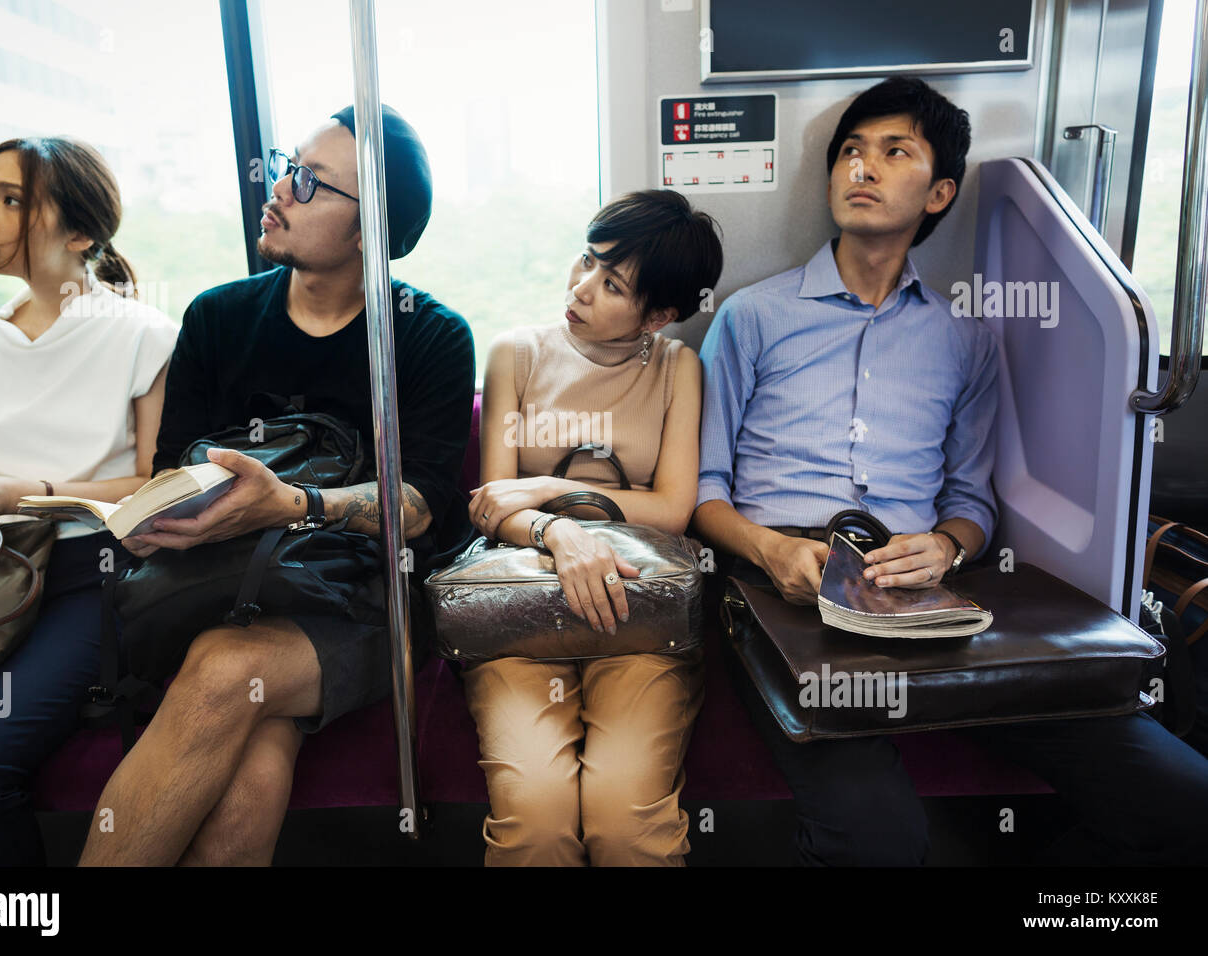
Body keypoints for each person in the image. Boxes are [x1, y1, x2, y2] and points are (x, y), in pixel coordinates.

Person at [691, 76, 1208, 865]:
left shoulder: (964, 339)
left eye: (893, 152)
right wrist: (769, 553)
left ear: (939, 193)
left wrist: (947, 549)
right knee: (878, 839)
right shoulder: (753, 317)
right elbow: (704, 492)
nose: (861, 169)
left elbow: (971, 500)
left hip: (915, 586)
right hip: (779, 587)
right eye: (850, 154)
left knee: (1179, 797)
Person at [77, 105, 475, 866]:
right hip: (217, 584)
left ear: (370, 233)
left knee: (231, 672)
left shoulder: (425, 333)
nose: (278, 190)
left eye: (309, 182)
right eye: (285, 164)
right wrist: (169, 515)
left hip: (361, 601)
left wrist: (297, 505)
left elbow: (422, 505)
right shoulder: (219, 317)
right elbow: (168, 470)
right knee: (257, 747)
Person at [0, 136, 176, 865]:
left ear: (82, 232)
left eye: (11, 198)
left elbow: (157, 486)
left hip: (99, 584)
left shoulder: (144, 336)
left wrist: (16, 491)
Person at [463, 189, 723, 865]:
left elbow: (673, 509)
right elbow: (493, 506)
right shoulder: (515, 353)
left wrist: (550, 488)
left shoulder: (677, 369)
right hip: (522, 609)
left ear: (659, 316)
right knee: (537, 818)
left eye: (610, 284)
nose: (579, 288)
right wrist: (561, 533)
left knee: (625, 822)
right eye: (585, 260)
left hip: (638, 613)